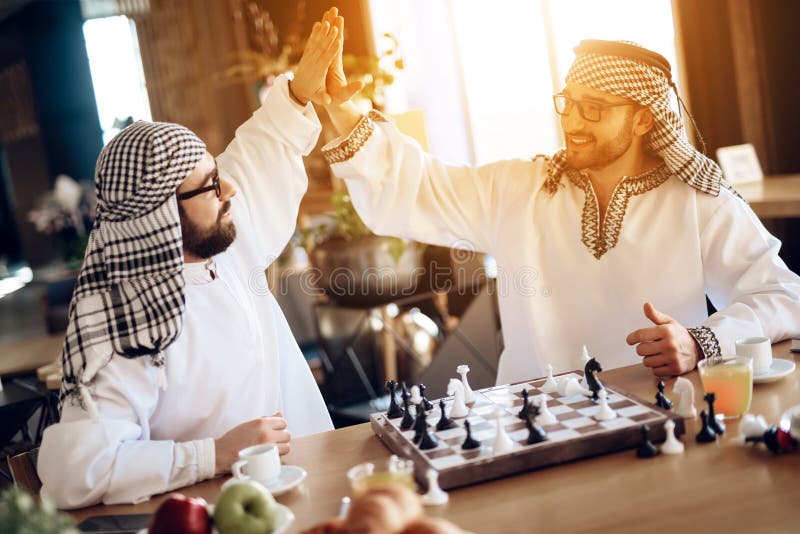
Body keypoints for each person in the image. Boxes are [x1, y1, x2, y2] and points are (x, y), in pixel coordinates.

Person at [319, 35, 800, 384]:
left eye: (594, 107)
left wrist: (701, 341)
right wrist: (345, 114)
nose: (572, 120)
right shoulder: (519, 188)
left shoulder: (698, 201)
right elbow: (420, 186)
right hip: (537, 425)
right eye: (568, 102)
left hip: (661, 414)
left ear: (642, 118)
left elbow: (784, 296)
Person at [37, 10, 356, 508]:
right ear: (162, 216)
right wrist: (214, 454)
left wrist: (299, 92)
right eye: (210, 184)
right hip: (208, 515)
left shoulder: (219, 241)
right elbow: (77, 471)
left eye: (215, 171)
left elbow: (257, 152)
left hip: (307, 485)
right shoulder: (126, 320)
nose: (228, 187)